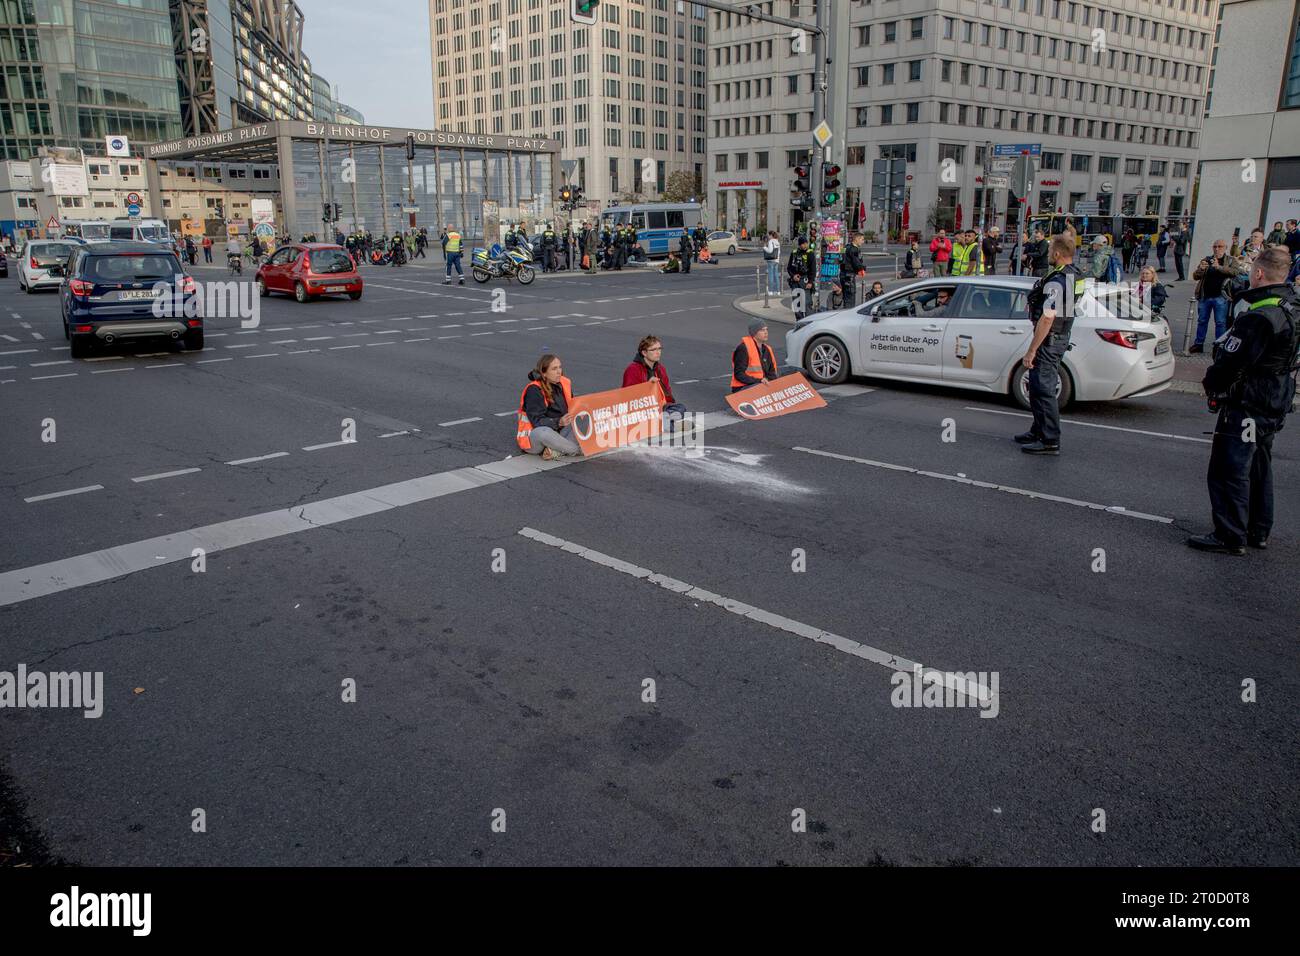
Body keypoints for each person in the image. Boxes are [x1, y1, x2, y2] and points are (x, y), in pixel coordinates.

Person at [1188, 247, 1299, 554]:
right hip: (1275, 396)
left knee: (1230, 467)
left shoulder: (1261, 316)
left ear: (1259, 273)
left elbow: (1231, 364)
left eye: (1252, 270)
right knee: (1259, 465)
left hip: (1249, 401)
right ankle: (1258, 529)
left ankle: (1230, 534)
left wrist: (1212, 386)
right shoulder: (1290, 304)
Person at [1015, 235, 1084, 455]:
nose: (1048, 254)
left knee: (1043, 390)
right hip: (1059, 337)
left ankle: (1049, 440)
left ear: (1056, 253)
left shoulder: (1058, 280)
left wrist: (1032, 350)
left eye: (1050, 250)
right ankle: (1038, 430)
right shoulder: (1074, 274)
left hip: (1050, 339)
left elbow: (1047, 317)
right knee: (1036, 388)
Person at [516, 354, 582, 461]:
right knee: (544, 433)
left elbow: (572, 410)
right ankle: (576, 450)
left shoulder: (564, 383)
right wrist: (558, 422)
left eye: (560, 367)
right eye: (554, 369)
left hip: (559, 432)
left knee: (583, 419)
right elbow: (537, 422)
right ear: (544, 373)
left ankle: (556, 450)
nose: (559, 371)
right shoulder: (534, 390)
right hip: (534, 437)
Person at [622, 335, 688, 426]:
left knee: (680, 408)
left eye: (659, 349)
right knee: (668, 416)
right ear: (644, 353)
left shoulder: (660, 369)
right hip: (641, 409)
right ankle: (668, 425)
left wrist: (669, 406)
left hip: (658, 408)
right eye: (654, 350)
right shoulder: (633, 369)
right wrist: (648, 386)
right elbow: (628, 397)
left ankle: (662, 423)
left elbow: (667, 393)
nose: (658, 352)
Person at [1190, 239, 1241, 353]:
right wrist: (1201, 269)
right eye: (1215, 246)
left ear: (1225, 248)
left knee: (1220, 322)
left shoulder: (1230, 260)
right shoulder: (1207, 259)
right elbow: (1195, 276)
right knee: (1202, 320)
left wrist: (1219, 267)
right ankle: (1199, 344)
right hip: (1205, 296)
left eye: (1220, 246)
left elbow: (1235, 272)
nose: (1217, 249)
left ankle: (1219, 345)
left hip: (1221, 296)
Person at [731, 319, 779, 392]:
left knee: (795, 370)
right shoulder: (743, 348)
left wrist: (773, 382)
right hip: (743, 387)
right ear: (754, 333)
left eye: (766, 329)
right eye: (762, 330)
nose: (766, 332)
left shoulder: (767, 349)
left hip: (759, 383)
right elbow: (739, 374)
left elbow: (771, 372)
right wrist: (759, 381)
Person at [787, 236, 817, 321]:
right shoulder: (794, 253)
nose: (805, 245)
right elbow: (789, 268)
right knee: (796, 304)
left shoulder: (810, 253)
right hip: (795, 282)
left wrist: (810, 282)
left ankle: (809, 322)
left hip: (805, 281)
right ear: (800, 245)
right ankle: (799, 322)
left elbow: (813, 270)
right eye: (803, 244)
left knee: (807, 303)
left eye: (806, 243)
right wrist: (793, 276)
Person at [840, 232, 865, 306]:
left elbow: (840, 258)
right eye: (862, 239)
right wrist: (862, 269)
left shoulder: (845, 247)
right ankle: (849, 314)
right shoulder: (855, 250)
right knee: (850, 298)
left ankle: (845, 311)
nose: (863, 242)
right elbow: (857, 262)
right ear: (857, 239)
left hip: (842, 274)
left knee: (845, 297)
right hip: (850, 276)